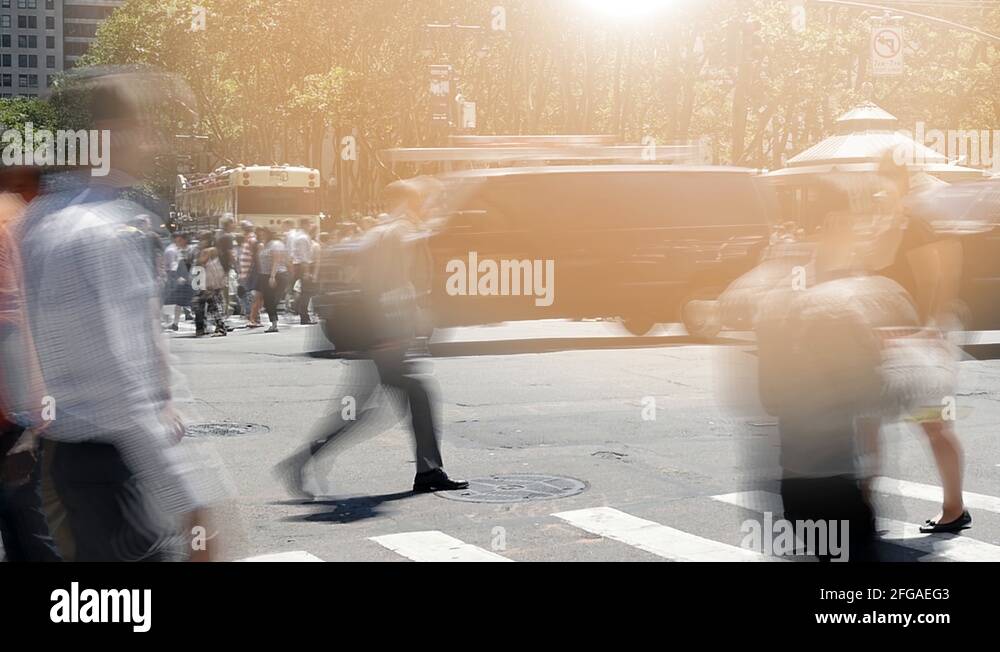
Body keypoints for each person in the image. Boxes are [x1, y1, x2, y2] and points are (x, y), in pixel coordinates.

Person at [18, 66, 220, 561]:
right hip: (117, 471)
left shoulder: (38, 220)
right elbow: (124, 386)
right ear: (112, 135)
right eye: (146, 129)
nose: (152, 144)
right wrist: (191, 497)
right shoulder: (103, 233)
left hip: (65, 461)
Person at [274, 179, 467, 498]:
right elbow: (381, 287)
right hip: (386, 337)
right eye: (418, 200)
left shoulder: (383, 231)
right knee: (415, 395)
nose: (422, 205)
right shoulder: (394, 233)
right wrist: (387, 336)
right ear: (406, 201)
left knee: (361, 410)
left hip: (382, 337)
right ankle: (428, 471)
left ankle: (302, 461)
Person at [0, 182, 62, 562]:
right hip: (16, 418)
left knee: (30, 536)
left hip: (10, 422)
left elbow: (10, 320)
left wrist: (28, 426)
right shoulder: (16, 213)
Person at [257, 226, 288, 333]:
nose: (261, 235)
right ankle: (273, 323)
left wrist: (272, 276)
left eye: (263, 233)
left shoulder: (276, 244)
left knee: (273, 299)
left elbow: (276, 261)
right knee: (268, 300)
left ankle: (275, 323)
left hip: (277, 274)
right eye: (260, 233)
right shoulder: (263, 245)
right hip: (264, 275)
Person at [163, 233, 194, 331]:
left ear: (184, 240)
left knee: (195, 300)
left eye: (180, 240)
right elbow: (176, 265)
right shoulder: (177, 250)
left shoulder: (191, 249)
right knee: (179, 302)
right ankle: (175, 323)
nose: (178, 242)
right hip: (183, 279)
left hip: (191, 278)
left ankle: (202, 320)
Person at [238, 221, 262, 328]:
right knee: (244, 294)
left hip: (249, 272)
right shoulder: (248, 239)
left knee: (248, 295)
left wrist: (253, 271)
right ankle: (252, 316)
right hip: (245, 271)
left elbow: (256, 256)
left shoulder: (252, 239)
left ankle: (254, 318)